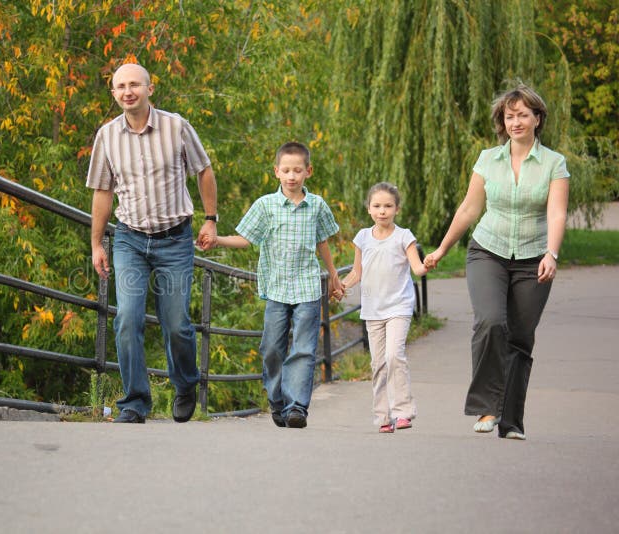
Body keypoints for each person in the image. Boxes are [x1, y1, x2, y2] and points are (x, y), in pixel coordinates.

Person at [423, 84, 569, 440]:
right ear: (502, 122)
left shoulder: (554, 163)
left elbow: (556, 212)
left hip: (534, 257)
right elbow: (470, 208)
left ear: (537, 118)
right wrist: (442, 249)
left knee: (520, 337)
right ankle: (488, 406)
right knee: (490, 322)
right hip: (487, 250)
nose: (516, 121)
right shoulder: (489, 158)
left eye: (522, 115)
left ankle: (511, 421)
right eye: (509, 116)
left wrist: (552, 253)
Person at [87, 63, 218, 424]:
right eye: (120, 86)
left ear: (149, 88)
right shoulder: (107, 136)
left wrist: (210, 218)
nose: (128, 92)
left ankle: (185, 383)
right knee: (127, 317)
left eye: (135, 85)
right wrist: (97, 243)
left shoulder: (176, 127)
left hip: (175, 240)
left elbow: (204, 170)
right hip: (129, 240)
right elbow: (102, 190)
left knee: (176, 323)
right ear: (113, 93)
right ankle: (134, 402)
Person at [201, 142, 343, 428]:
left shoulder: (317, 206)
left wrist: (333, 276)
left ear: (308, 172)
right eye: (286, 170)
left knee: (304, 348)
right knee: (271, 349)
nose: (292, 176)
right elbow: (246, 238)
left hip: (308, 288)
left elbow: (323, 242)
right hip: (276, 289)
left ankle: (297, 407)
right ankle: (277, 398)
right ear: (276, 172)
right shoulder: (265, 206)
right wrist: (217, 240)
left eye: (298, 170)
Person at [341, 182, 427, 433]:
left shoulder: (404, 236)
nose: (382, 211)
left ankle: (402, 411)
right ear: (369, 209)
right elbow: (357, 272)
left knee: (393, 356)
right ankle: (382, 417)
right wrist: (341, 286)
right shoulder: (363, 238)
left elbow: (417, 268)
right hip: (373, 309)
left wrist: (428, 263)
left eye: (388, 206)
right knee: (378, 363)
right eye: (377, 206)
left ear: (397, 209)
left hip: (398, 306)